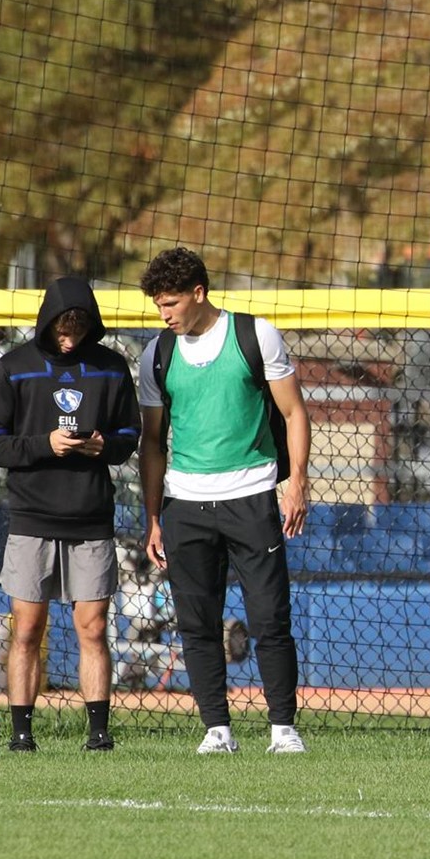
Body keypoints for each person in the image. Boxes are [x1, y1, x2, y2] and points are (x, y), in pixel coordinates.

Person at [136, 247, 311, 754]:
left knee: (269, 617)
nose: (164, 314)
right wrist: (153, 516)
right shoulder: (157, 354)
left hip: (252, 498)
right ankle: (217, 729)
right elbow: (152, 442)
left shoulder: (256, 335)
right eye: (157, 306)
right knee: (197, 622)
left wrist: (295, 481)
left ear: (199, 293)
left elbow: (294, 413)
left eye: (170, 303)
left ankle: (283, 729)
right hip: (184, 505)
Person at [0, 277, 141, 752]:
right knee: (26, 627)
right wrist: (43, 445)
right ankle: (22, 734)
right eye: (62, 331)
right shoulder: (14, 367)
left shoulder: (110, 368)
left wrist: (103, 445)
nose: (69, 340)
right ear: (47, 323)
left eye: (78, 331)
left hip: (91, 518)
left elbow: (129, 436)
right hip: (31, 516)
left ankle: (99, 734)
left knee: (92, 627)